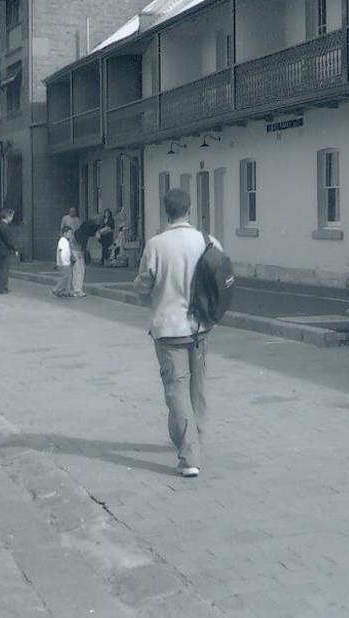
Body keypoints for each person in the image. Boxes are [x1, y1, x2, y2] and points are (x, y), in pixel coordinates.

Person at [134, 187, 211, 478]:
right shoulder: (207, 241)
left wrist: (150, 297)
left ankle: (189, 454)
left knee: (176, 388)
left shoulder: (156, 245)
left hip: (168, 327)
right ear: (189, 209)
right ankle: (194, 438)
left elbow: (143, 284)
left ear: (166, 211)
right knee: (198, 387)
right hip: (201, 327)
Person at [52, 225, 74, 297]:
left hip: (67, 262)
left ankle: (66, 291)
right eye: (69, 233)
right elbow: (60, 251)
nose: (70, 235)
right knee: (65, 277)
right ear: (65, 233)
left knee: (68, 277)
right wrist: (61, 262)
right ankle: (56, 289)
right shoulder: (62, 241)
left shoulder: (66, 241)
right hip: (64, 263)